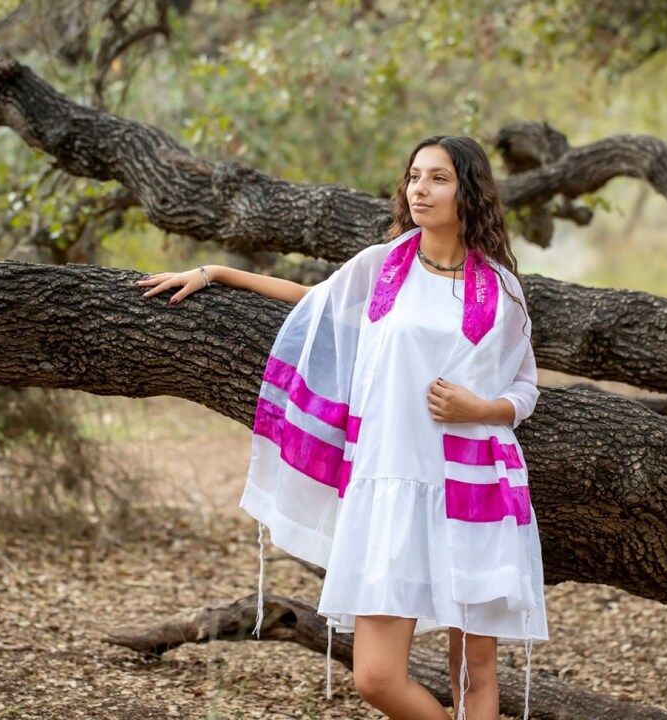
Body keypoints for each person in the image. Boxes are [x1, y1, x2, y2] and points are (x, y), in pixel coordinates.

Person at [137, 135, 548, 720]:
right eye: (414, 177)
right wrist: (218, 272)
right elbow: (317, 303)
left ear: (469, 192)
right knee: (377, 678)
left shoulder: (501, 290)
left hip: (470, 493)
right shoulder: (384, 268)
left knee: (474, 676)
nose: (420, 190)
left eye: (438, 178)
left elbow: (524, 388)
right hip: (388, 489)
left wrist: (480, 411)